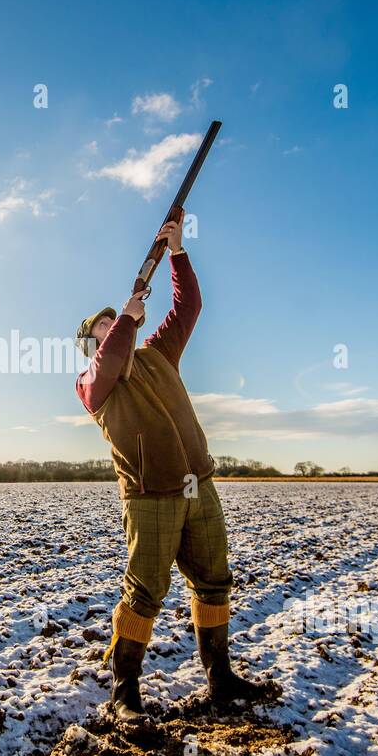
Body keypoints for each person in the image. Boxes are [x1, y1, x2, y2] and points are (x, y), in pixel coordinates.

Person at [74, 213, 277, 727]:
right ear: (95, 344)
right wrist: (126, 318)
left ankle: (220, 677)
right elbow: (112, 356)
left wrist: (178, 253)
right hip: (150, 495)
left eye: (112, 320)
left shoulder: (159, 353)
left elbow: (190, 308)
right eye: (102, 326)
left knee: (215, 581)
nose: (111, 325)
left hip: (199, 486)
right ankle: (124, 690)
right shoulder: (93, 384)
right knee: (144, 590)